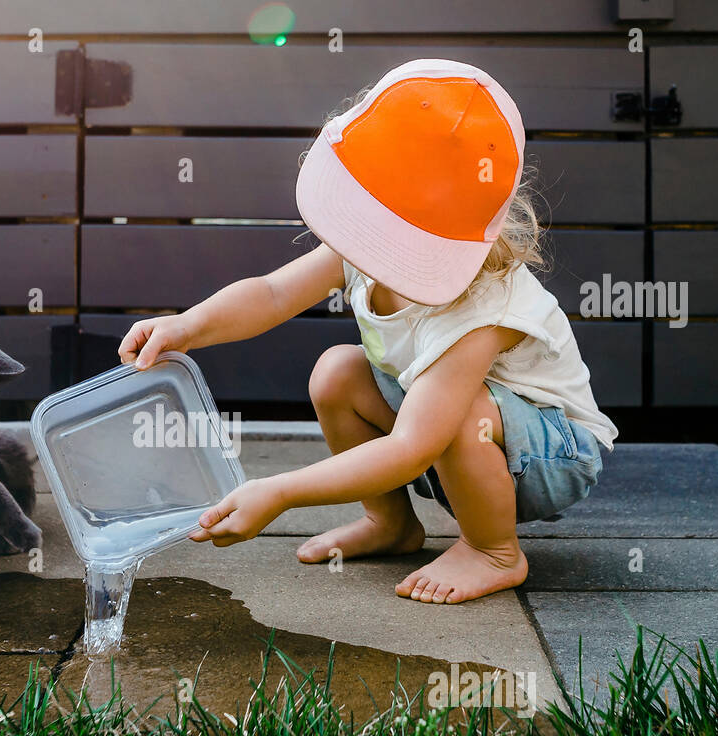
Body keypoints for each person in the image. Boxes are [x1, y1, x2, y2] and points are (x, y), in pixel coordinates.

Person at [118, 59, 617, 604]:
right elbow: (272, 294)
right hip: (449, 438)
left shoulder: (485, 305)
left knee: (465, 408)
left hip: (552, 457)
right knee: (338, 370)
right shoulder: (375, 239)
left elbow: (412, 445)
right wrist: (187, 326)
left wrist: (280, 492)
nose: (375, 245)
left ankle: (494, 550)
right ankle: (392, 524)